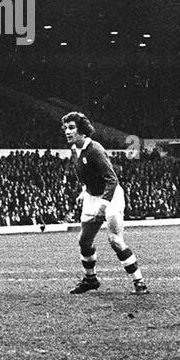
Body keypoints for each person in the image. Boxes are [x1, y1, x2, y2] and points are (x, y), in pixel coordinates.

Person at [63, 112, 148, 295]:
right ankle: (90, 279)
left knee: (115, 241)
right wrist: (84, 191)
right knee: (84, 241)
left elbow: (112, 180)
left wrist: (103, 205)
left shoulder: (95, 149)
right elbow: (87, 175)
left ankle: (139, 283)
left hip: (111, 197)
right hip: (92, 197)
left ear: (83, 130)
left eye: (71, 128)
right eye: (66, 128)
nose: (67, 131)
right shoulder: (74, 149)